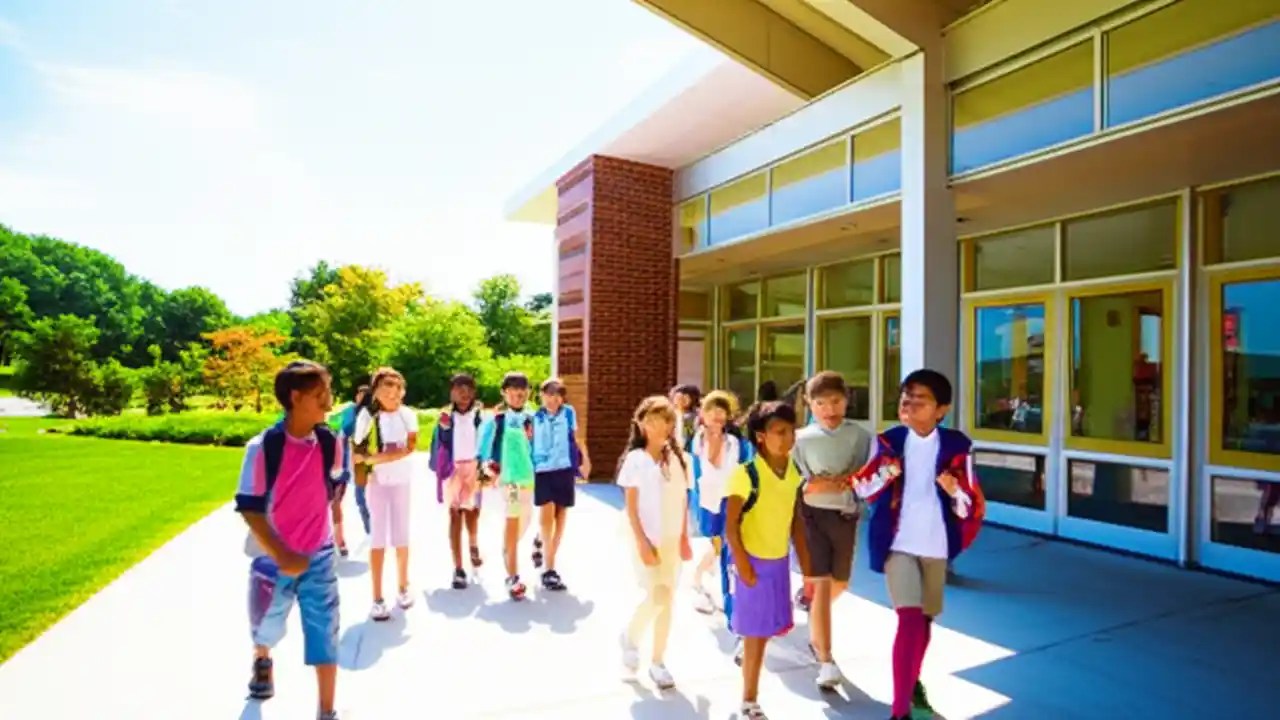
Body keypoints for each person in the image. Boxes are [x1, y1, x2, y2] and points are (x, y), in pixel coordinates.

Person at [851, 369, 985, 720]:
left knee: (924, 621)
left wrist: (954, 491)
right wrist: (885, 475)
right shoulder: (889, 441)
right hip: (898, 543)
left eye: (920, 399)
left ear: (941, 409)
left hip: (937, 546)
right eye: (905, 397)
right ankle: (900, 712)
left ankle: (911, 681)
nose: (909, 404)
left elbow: (971, 504)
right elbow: (862, 488)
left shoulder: (958, 446)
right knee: (909, 618)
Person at [237, 361, 343, 720]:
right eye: (320, 395)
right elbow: (249, 507)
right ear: (295, 398)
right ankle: (262, 658)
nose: (328, 403)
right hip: (273, 559)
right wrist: (283, 553)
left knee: (325, 630)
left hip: (320, 555)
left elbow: (334, 482)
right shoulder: (264, 447)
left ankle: (326, 710)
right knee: (265, 625)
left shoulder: (329, 441)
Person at [725, 401, 810, 720]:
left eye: (791, 431)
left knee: (764, 631)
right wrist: (743, 563)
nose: (788, 438)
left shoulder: (793, 472)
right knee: (756, 635)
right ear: (761, 436)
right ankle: (749, 700)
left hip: (778, 563)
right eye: (779, 432)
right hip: (752, 562)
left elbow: (796, 521)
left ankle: (745, 655)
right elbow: (731, 525)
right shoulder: (746, 474)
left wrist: (807, 568)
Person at [791, 371, 872, 691]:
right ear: (809, 403)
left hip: (845, 515)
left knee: (840, 583)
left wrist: (853, 479)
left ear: (847, 400)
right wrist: (815, 483)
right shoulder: (800, 438)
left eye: (835, 401)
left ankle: (812, 612)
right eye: (820, 402)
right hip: (809, 517)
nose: (829, 408)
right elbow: (791, 478)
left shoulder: (860, 436)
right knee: (823, 587)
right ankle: (825, 658)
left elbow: (871, 472)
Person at [617, 395, 692, 690]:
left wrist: (685, 537)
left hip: (673, 538)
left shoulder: (680, 459)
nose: (656, 427)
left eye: (663, 420)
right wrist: (642, 542)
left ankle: (658, 661)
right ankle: (631, 636)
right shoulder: (635, 460)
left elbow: (684, 500)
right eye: (649, 421)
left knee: (668, 600)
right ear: (641, 424)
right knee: (657, 595)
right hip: (647, 538)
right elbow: (631, 507)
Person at [352, 367, 419, 621]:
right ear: (375, 391)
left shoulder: (407, 415)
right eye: (385, 388)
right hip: (378, 482)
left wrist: (374, 458)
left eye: (396, 388)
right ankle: (377, 596)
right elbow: (357, 448)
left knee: (401, 535)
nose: (392, 394)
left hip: (401, 480)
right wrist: (368, 460)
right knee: (378, 538)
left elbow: (409, 448)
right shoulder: (369, 417)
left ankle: (403, 585)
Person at [478, 372, 538, 600]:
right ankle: (512, 576)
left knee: (526, 520)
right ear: (504, 392)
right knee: (512, 519)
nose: (518, 394)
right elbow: (484, 446)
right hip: (509, 481)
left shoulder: (533, 417)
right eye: (512, 390)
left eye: (522, 390)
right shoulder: (497, 419)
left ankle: (507, 549)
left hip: (529, 479)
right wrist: (486, 468)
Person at [531, 378, 592, 592]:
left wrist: (585, 460)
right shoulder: (533, 416)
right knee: (547, 517)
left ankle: (546, 552)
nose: (553, 398)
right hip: (543, 470)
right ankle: (549, 569)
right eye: (549, 394)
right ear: (541, 395)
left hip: (564, 468)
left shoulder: (568, 413)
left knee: (560, 517)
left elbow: (576, 438)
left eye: (558, 394)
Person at [688, 390, 745, 615]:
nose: (717, 416)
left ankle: (723, 593)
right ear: (703, 414)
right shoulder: (698, 439)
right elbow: (706, 465)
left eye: (721, 412)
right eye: (712, 411)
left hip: (728, 497)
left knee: (725, 544)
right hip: (707, 497)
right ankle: (699, 577)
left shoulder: (732, 442)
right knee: (712, 542)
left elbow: (730, 469)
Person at [429, 373, 486, 590]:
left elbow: (487, 441)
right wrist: (444, 429)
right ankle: (458, 567)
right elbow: (439, 447)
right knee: (454, 516)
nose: (464, 394)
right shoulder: (445, 417)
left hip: (474, 468)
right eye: (459, 389)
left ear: (474, 393)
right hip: (452, 470)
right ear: (451, 393)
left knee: (472, 513)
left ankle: (473, 543)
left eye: (468, 389)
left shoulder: (480, 416)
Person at [333, 385, 371, 543]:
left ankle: (371, 530)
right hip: (346, 460)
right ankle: (338, 537)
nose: (360, 398)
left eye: (364, 395)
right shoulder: (349, 410)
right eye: (359, 394)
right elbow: (338, 427)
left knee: (362, 498)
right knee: (340, 499)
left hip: (364, 461)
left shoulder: (372, 414)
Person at [671, 384, 701, 451]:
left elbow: (686, 439)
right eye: (678, 397)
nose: (681, 400)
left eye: (685, 397)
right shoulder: (669, 414)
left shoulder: (693, 416)